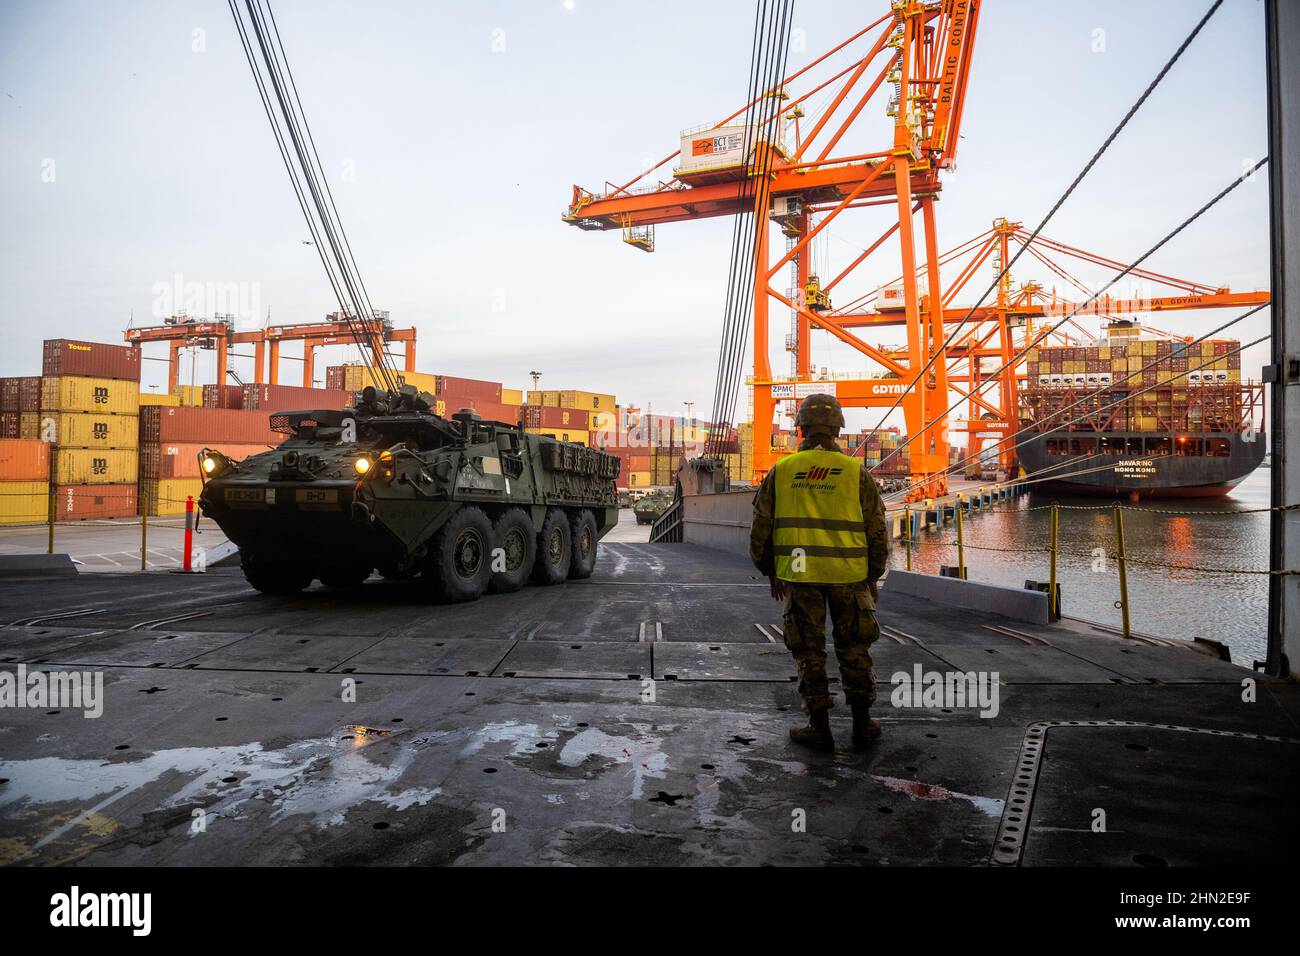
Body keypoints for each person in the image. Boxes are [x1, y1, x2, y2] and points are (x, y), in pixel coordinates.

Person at [748, 394, 889, 752]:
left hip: (799, 573)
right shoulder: (857, 473)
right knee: (855, 649)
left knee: (809, 651)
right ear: (839, 429)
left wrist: (771, 570)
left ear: (801, 428)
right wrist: (872, 576)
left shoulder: (783, 470)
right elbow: (877, 531)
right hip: (850, 575)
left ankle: (819, 726)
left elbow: (761, 528)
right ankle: (861, 725)